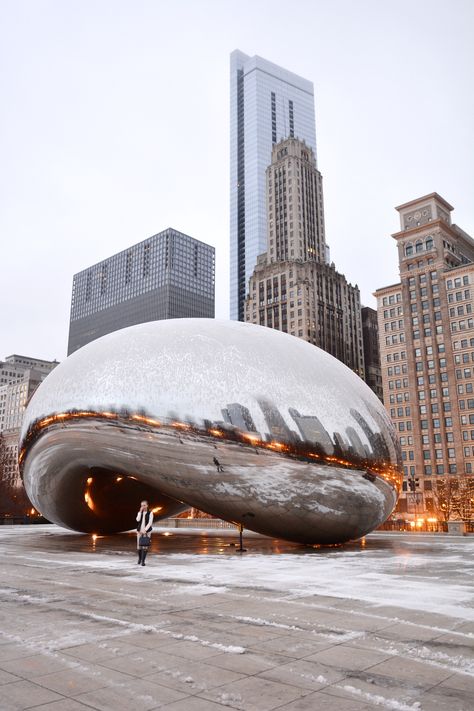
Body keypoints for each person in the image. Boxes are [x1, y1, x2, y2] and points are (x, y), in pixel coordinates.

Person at [136, 500, 153, 566]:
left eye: (144, 505)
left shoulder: (150, 513)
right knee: (139, 546)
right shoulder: (140, 512)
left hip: (147, 531)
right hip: (139, 531)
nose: (143, 507)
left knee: (145, 546)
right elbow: (137, 520)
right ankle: (139, 559)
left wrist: (145, 530)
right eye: (141, 505)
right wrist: (140, 512)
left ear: (147, 505)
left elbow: (150, 523)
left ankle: (143, 561)